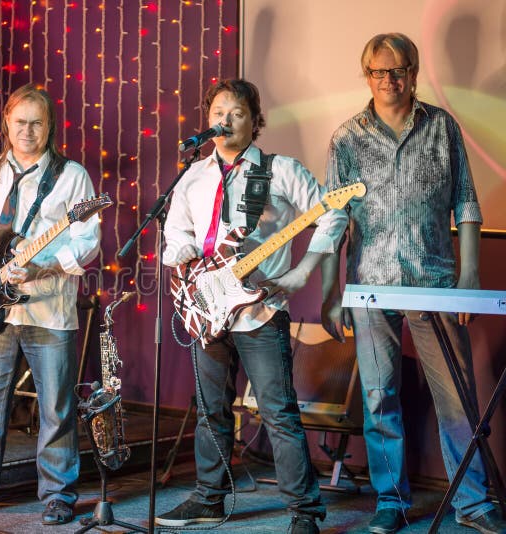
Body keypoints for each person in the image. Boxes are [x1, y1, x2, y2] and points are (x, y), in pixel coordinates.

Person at [321, 33, 506, 534]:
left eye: (399, 70)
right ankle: (391, 502)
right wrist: (330, 293)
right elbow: (333, 222)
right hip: (370, 287)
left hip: (436, 282)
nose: (389, 80)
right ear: (367, 76)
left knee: (457, 396)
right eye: (379, 72)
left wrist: (469, 275)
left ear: (415, 73)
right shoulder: (346, 138)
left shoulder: (442, 127)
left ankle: (472, 502)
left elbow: (466, 203)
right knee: (380, 396)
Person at [158, 79, 347, 534]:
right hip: (206, 304)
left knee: (278, 412)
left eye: (237, 112)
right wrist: (188, 266)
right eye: (218, 111)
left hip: (259, 310)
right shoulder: (193, 175)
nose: (225, 119)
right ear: (207, 120)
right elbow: (175, 236)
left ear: (254, 121)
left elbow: (333, 213)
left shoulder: (279, 171)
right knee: (211, 409)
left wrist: (301, 273)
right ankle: (209, 498)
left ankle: (304, 512)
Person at [0, 83, 100, 525]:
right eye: (19, 122)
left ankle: (58, 494)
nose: (27, 130)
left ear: (49, 127)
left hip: (48, 309)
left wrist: (42, 267)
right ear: (5, 125)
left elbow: (87, 241)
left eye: (37, 122)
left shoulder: (72, 177)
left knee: (55, 407)